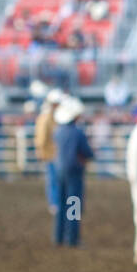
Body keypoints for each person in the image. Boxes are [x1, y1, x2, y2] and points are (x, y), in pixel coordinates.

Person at [52, 96, 93, 246]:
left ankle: (58, 236)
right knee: (73, 204)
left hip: (60, 170)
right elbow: (87, 152)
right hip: (74, 172)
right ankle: (72, 238)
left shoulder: (58, 131)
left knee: (61, 204)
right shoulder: (77, 133)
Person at [33, 83, 61, 213]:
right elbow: (42, 137)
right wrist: (41, 148)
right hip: (52, 153)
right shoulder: (48, 118)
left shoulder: (47, 117)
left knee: (54, 179)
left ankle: (55, 202)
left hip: (54, 153)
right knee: (54, 179)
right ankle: (54, 203)